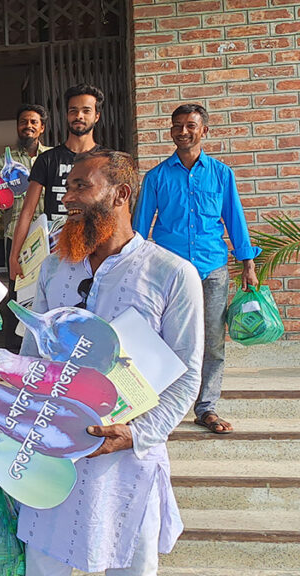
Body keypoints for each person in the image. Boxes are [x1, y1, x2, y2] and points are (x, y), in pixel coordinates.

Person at [19, 149, 203, 575]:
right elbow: (33, 359)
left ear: (120, 194)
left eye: (81, 186)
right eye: (68, 189)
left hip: (127, 464)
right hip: (55, 460)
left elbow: (187, 374)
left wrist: (135, 434)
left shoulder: (172, 274)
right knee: (44, 564)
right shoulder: (52, 269)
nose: (68, 199)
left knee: (129, 564)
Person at [133, 103, 260, 435]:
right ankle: (162, 404)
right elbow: (139, 227)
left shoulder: (221, 174)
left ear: (205, 130)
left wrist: (248, 263)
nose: (183, 131)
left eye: (190, 125)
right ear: (171, 131)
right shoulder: (157, 177)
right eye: (177, 126)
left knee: (213, 339)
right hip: (168, 271)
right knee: (164, 338)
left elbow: (235, 219)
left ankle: (206, 407)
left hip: (212, 267)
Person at [9, 84, 104, 282]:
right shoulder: (48, 159)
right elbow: (27, 211)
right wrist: (14, 256)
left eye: (86, 110)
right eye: (73, 110)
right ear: (67, 115)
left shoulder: (106, 160)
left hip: (96, 249)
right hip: (55, 250)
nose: (79, 116)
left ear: (96, 116)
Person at [0, 104, 53, 352]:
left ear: (41, 127)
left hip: (48, 235)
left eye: (33, 122)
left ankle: (45, 346)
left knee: (48, 288)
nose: (27, 126)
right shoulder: (4, 160)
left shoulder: (52, 156)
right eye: (23, 122)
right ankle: (15, 347)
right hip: (15, 236)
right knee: (17, 292)